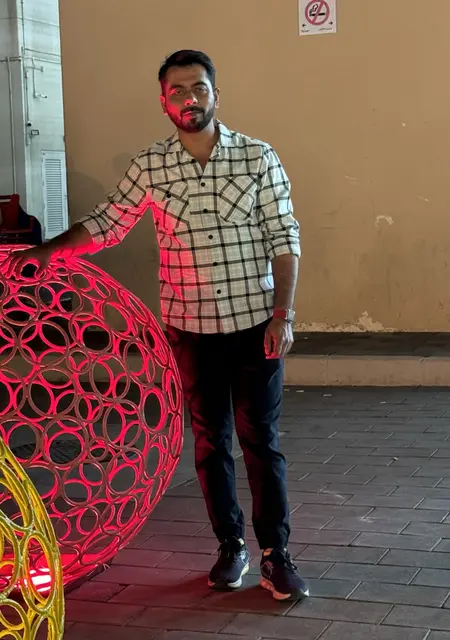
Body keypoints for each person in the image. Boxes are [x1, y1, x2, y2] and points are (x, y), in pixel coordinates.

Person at [7, 50, 309, 602]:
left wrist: (282, 315)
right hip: (190, 329)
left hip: (254, 325)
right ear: (164, 102)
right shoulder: (151, 165)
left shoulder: (257, 156)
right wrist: (49, 252)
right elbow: (108, 223)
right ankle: (230, 547)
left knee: (259, 441)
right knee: (210, 444)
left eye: (198, 88)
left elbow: (284, 238)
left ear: (216, 94)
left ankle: (276, 553)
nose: (189, 99)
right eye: (177, 91)